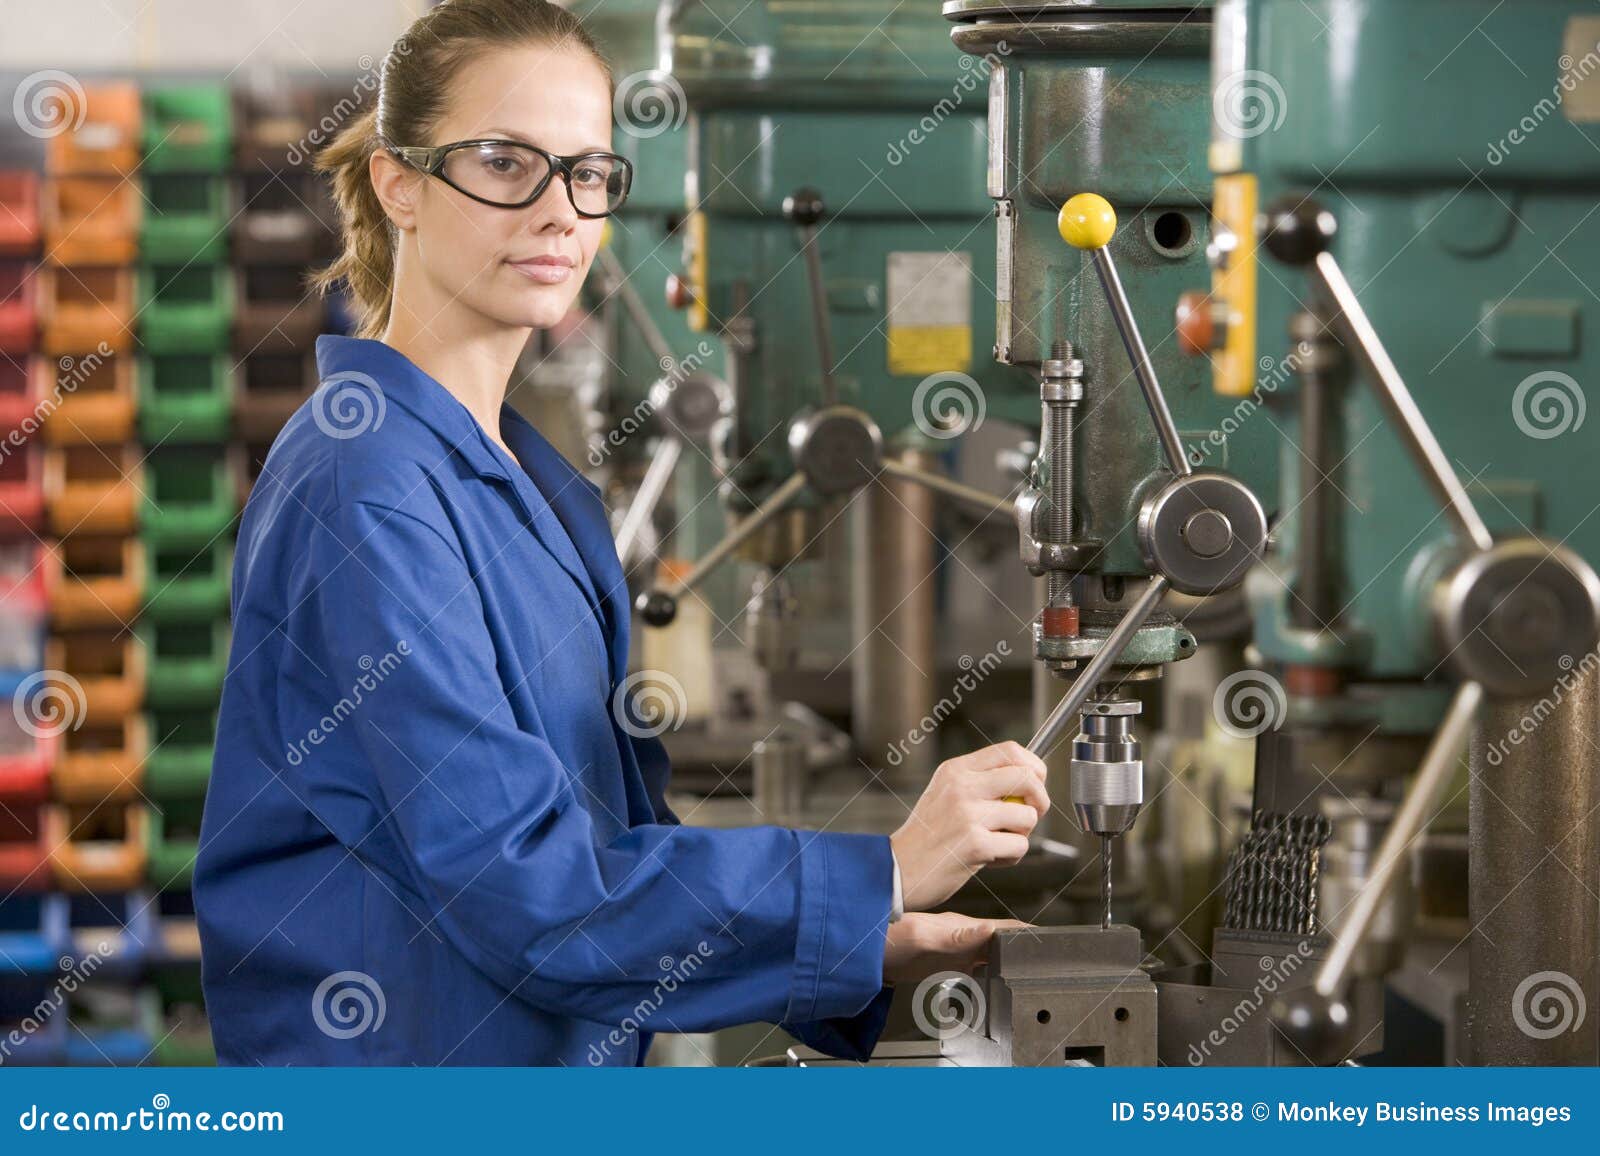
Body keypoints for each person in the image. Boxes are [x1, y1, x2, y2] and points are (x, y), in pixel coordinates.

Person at [194, 0, 1048, 1066]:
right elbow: (532, 891)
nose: (560, 213)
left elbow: (605, 856)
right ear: (397, 182)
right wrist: (879, 869)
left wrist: (863, 944)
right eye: (505, 163)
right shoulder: (364, 485)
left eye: (588, 172)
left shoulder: (522, 477)